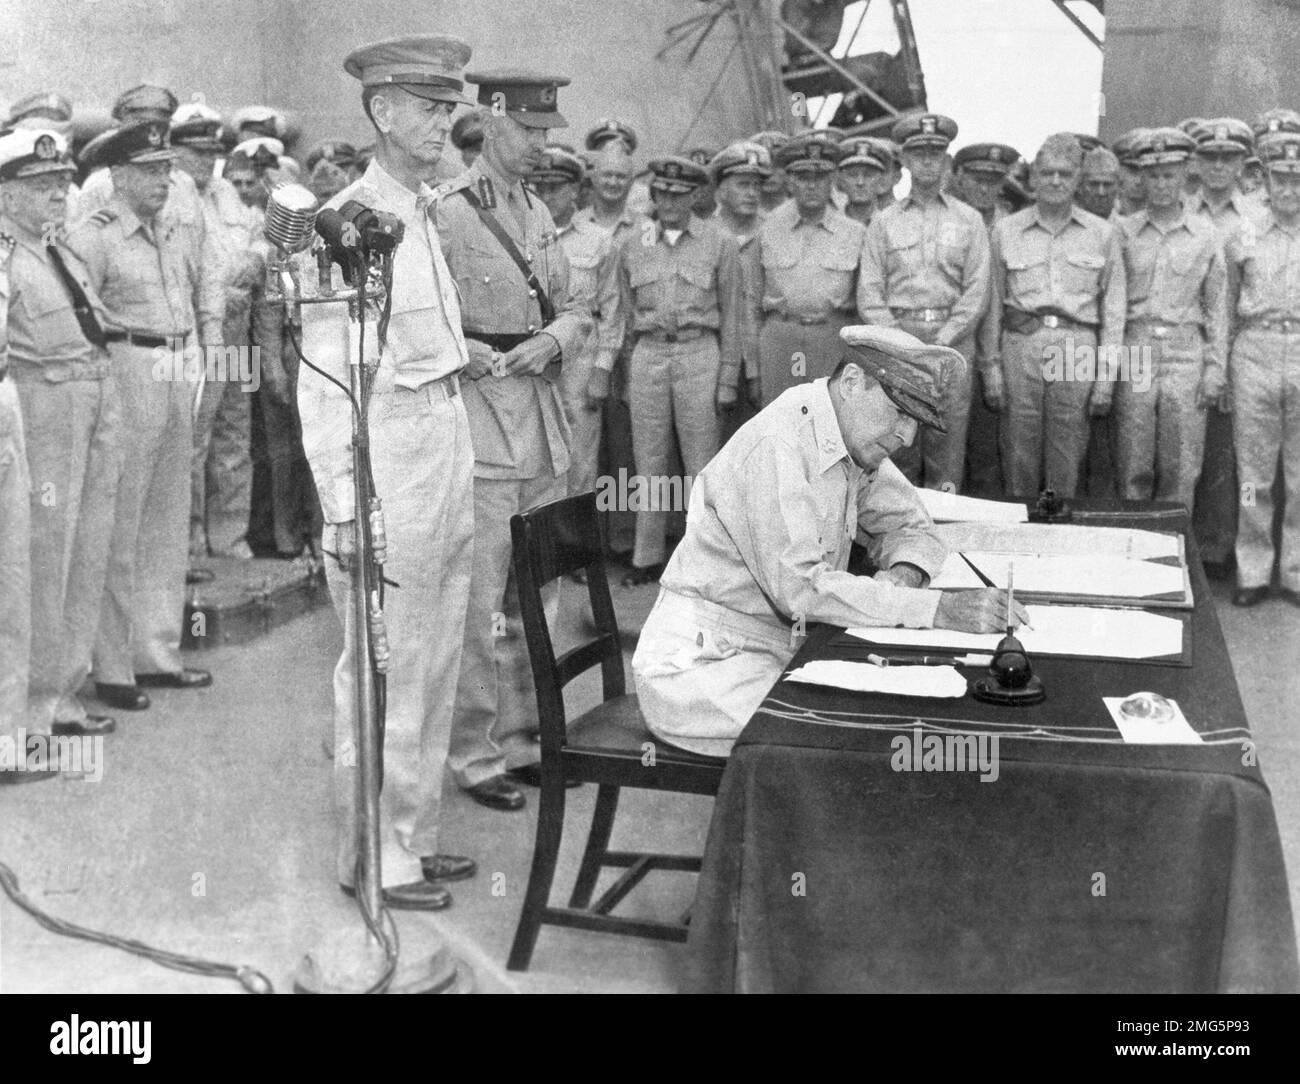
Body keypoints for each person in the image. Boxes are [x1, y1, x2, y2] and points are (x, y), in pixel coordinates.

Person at [631, 324, 1029, 758]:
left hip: (778, 650)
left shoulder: (849, 437)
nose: (907, 437)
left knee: (905, 719)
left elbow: (914, 526)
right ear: (854, 382)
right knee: (855, 742)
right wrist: (936, 608)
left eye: (915, 422)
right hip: (702, 667)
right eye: (900, 413)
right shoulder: (779, 443)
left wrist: (902, 577)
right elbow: (800, 591)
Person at [294, 34, 480, 910]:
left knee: (434, 654)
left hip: (441, 442)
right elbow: (327, 389)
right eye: (432, 106)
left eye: (451, 105)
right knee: (380, 663)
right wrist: (344, 510)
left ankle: (413, 833)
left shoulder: (419, 213)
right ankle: (374, 854)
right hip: (387, 466)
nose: (449, 120)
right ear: (383, 111)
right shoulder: (346, 230)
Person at [434, 69, 593, 808]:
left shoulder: (536, 211)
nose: (539, 146)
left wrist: (554, 342)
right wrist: (463, 347)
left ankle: (532, 738)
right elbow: (422, 317)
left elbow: (575, 305)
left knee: (544, 591)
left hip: (542, 420)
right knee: (479, 601)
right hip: (482, 422)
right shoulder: (446, 210)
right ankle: (474, 753)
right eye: (528, 132)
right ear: (490, 123)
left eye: (546, 133)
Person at [70, 122, 221, 711]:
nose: (166, 180)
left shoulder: (169, 229)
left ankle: (156, 654)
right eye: (153, 171)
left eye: (166, 169)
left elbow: (192, 289)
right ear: (120, 175)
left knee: (165, 518)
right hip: (127, 367)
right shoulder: (95, 235)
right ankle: (112, 668)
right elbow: (84, 322)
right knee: (120, 521)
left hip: (173, 363)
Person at [0, 128, 121, 742]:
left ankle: (65, 695)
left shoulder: (59, 250)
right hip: (43, 408)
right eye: (41, 186)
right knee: (45, 558)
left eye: (60, 184)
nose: (57, 194)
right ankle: (30, 708)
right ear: (6, 194)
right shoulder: (5, 256)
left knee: (86, 550)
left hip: (92, 398)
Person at [596, 155, 742, 587]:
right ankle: (648, 558)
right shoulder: (632, 243)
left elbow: (733, 314)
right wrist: (622, 373)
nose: (671, 202)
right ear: (654, 195)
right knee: (649, 463)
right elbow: (621, 313)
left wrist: (728, 377)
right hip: (649, 354)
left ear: (695, 196)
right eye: (663, 193)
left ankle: (704, 557)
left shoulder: (720, 242)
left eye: (681, 194)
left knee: (702, 464)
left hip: (700, 352)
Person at [986, 133, 1126, 499]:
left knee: (1068, 448)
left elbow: (1114, 311)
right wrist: (991, 368)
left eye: (1065, 174)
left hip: (1076, 344)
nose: (1055, 181)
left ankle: (1059, 535)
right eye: (1047, 173)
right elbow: (993, 303)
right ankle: (1020, 531)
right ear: (1032, 178)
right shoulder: (1006, 231)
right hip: (1021, 344)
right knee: (1019, 446)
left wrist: (1106, 379)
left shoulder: (1102, 234)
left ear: (1078, 180)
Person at [858, 113, 990, 493]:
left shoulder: (970, 221)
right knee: (897, 446)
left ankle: (943, 540)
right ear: (905, 161)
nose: (928, 161)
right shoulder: (883, 223)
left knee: (946, 449)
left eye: (936, 152)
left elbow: (976, 290)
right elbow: (870, 293)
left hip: (952, 343)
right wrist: (905, 345)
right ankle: (894, 539)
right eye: (919, 153)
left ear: (947, 160)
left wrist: (942, 341)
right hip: (899, 344)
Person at [1114, 127, 1228, 509]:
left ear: (1184, 176)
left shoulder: (1206, 235)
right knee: (1133, 459)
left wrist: (1214, 370)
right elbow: (1112, 303)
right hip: (1137, 347)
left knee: (1181, 465)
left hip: (1185, 351)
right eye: (1153, 176)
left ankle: (1176, 554)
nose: (1161, 184)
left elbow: (1217, 308)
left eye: (1169, 175)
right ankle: (1135, 558)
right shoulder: (1124, 231)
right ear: (1141, 178)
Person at [172, 102, 262, 561]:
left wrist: (256, 260)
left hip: (235, 328)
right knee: (191, 437)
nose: (205, 162)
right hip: (191, 332)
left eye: (211, 153)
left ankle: (231, 537)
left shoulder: (227, 192)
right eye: (195, 152)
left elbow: (258, 234)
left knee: (234, 437)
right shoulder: (172, 194)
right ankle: (191, 541)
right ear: (173, 151)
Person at [1224, 130, 1300, 608]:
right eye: (1281, 180)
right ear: (1266, 179)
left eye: (1298, 181)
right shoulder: (1244, 230)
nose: (1290, 190)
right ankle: (1252, 569)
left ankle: (1295, 571)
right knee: (1253, 473)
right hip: (1255, 347)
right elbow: (1227, 302)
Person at [1187, 117, 1261, 578]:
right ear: (1196, 162)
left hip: (1247, 345)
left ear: (1241, 163)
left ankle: (1219, 548)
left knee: (1232, 458)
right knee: (1188, 454)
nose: (1218, 166)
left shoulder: (1254, 215)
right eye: (1209, 157)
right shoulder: (1182, 209)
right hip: (1191, 344)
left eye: (1228, 158)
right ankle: (1186, 544)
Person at [529, 146, 618, 508]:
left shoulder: (598, 239)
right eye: (540, 187)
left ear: (575, 190)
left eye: (557, 188)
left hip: (581, 363)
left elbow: (612, 311)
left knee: (581, 459)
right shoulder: (520, 236)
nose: (547, 196)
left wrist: (602, 370)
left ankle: (581, 556)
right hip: (533, 359)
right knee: (538, 461)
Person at [756, 131, 863, 408]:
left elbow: (865, 301)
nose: (811, 186)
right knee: (780, 424)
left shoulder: (855, 233)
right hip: (781, 338)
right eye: (803, 178)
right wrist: (751, 368)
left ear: (833, 181)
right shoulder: (768, 228)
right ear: (790, 181)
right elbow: (750, 301)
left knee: (831, 423)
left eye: (820, 178)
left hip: (831, 338)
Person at [954, 142, 1019, 497]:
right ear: (960, 178)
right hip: (956, 347)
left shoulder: (1011, 227)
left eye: (993, 181)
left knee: (989, 449)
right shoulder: (950, 222)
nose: (984, 188)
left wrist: (992, 360)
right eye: (977, 179)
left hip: (1000, 353)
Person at [709, 140, 771, 428]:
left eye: (757, 186)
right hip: (713, 364)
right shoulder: (703, 236)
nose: (752, 193)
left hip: (766, 358)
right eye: (743, 184)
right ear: (720, 189)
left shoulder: (773, 231)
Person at [836, 137, 890, 226]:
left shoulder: (892, 224)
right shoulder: (830, 224)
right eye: (852, 175)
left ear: (881, 180)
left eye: (868, 175)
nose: (860, 182)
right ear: (841, 180)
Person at [1077, 145, 1121, 221]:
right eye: (1094, 184)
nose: (1101, 192)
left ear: (1118, 187)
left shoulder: (1127, 229)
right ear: (1080, 187)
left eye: (1107, 185)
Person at [1111, 128, 1149, 216]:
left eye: (1146, 173)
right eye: (1133, 172)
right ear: (1119, 172)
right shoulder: (1102, 218)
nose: (1139, 181)